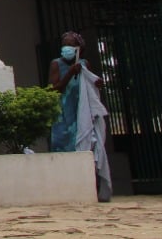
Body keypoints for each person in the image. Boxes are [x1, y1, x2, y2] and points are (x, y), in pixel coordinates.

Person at [48, 31, 112, 201]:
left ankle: (92, 188)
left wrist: (97, 83)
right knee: (64, 151)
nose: (66, 48)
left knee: (89, 149)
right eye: (64, 45)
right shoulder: (56, 64)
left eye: (70, 45)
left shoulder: (84, 64)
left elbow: (91, 86)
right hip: (64, 116)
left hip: (81, 114)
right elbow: (54, 89)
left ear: (79, 49)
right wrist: (69, 73)